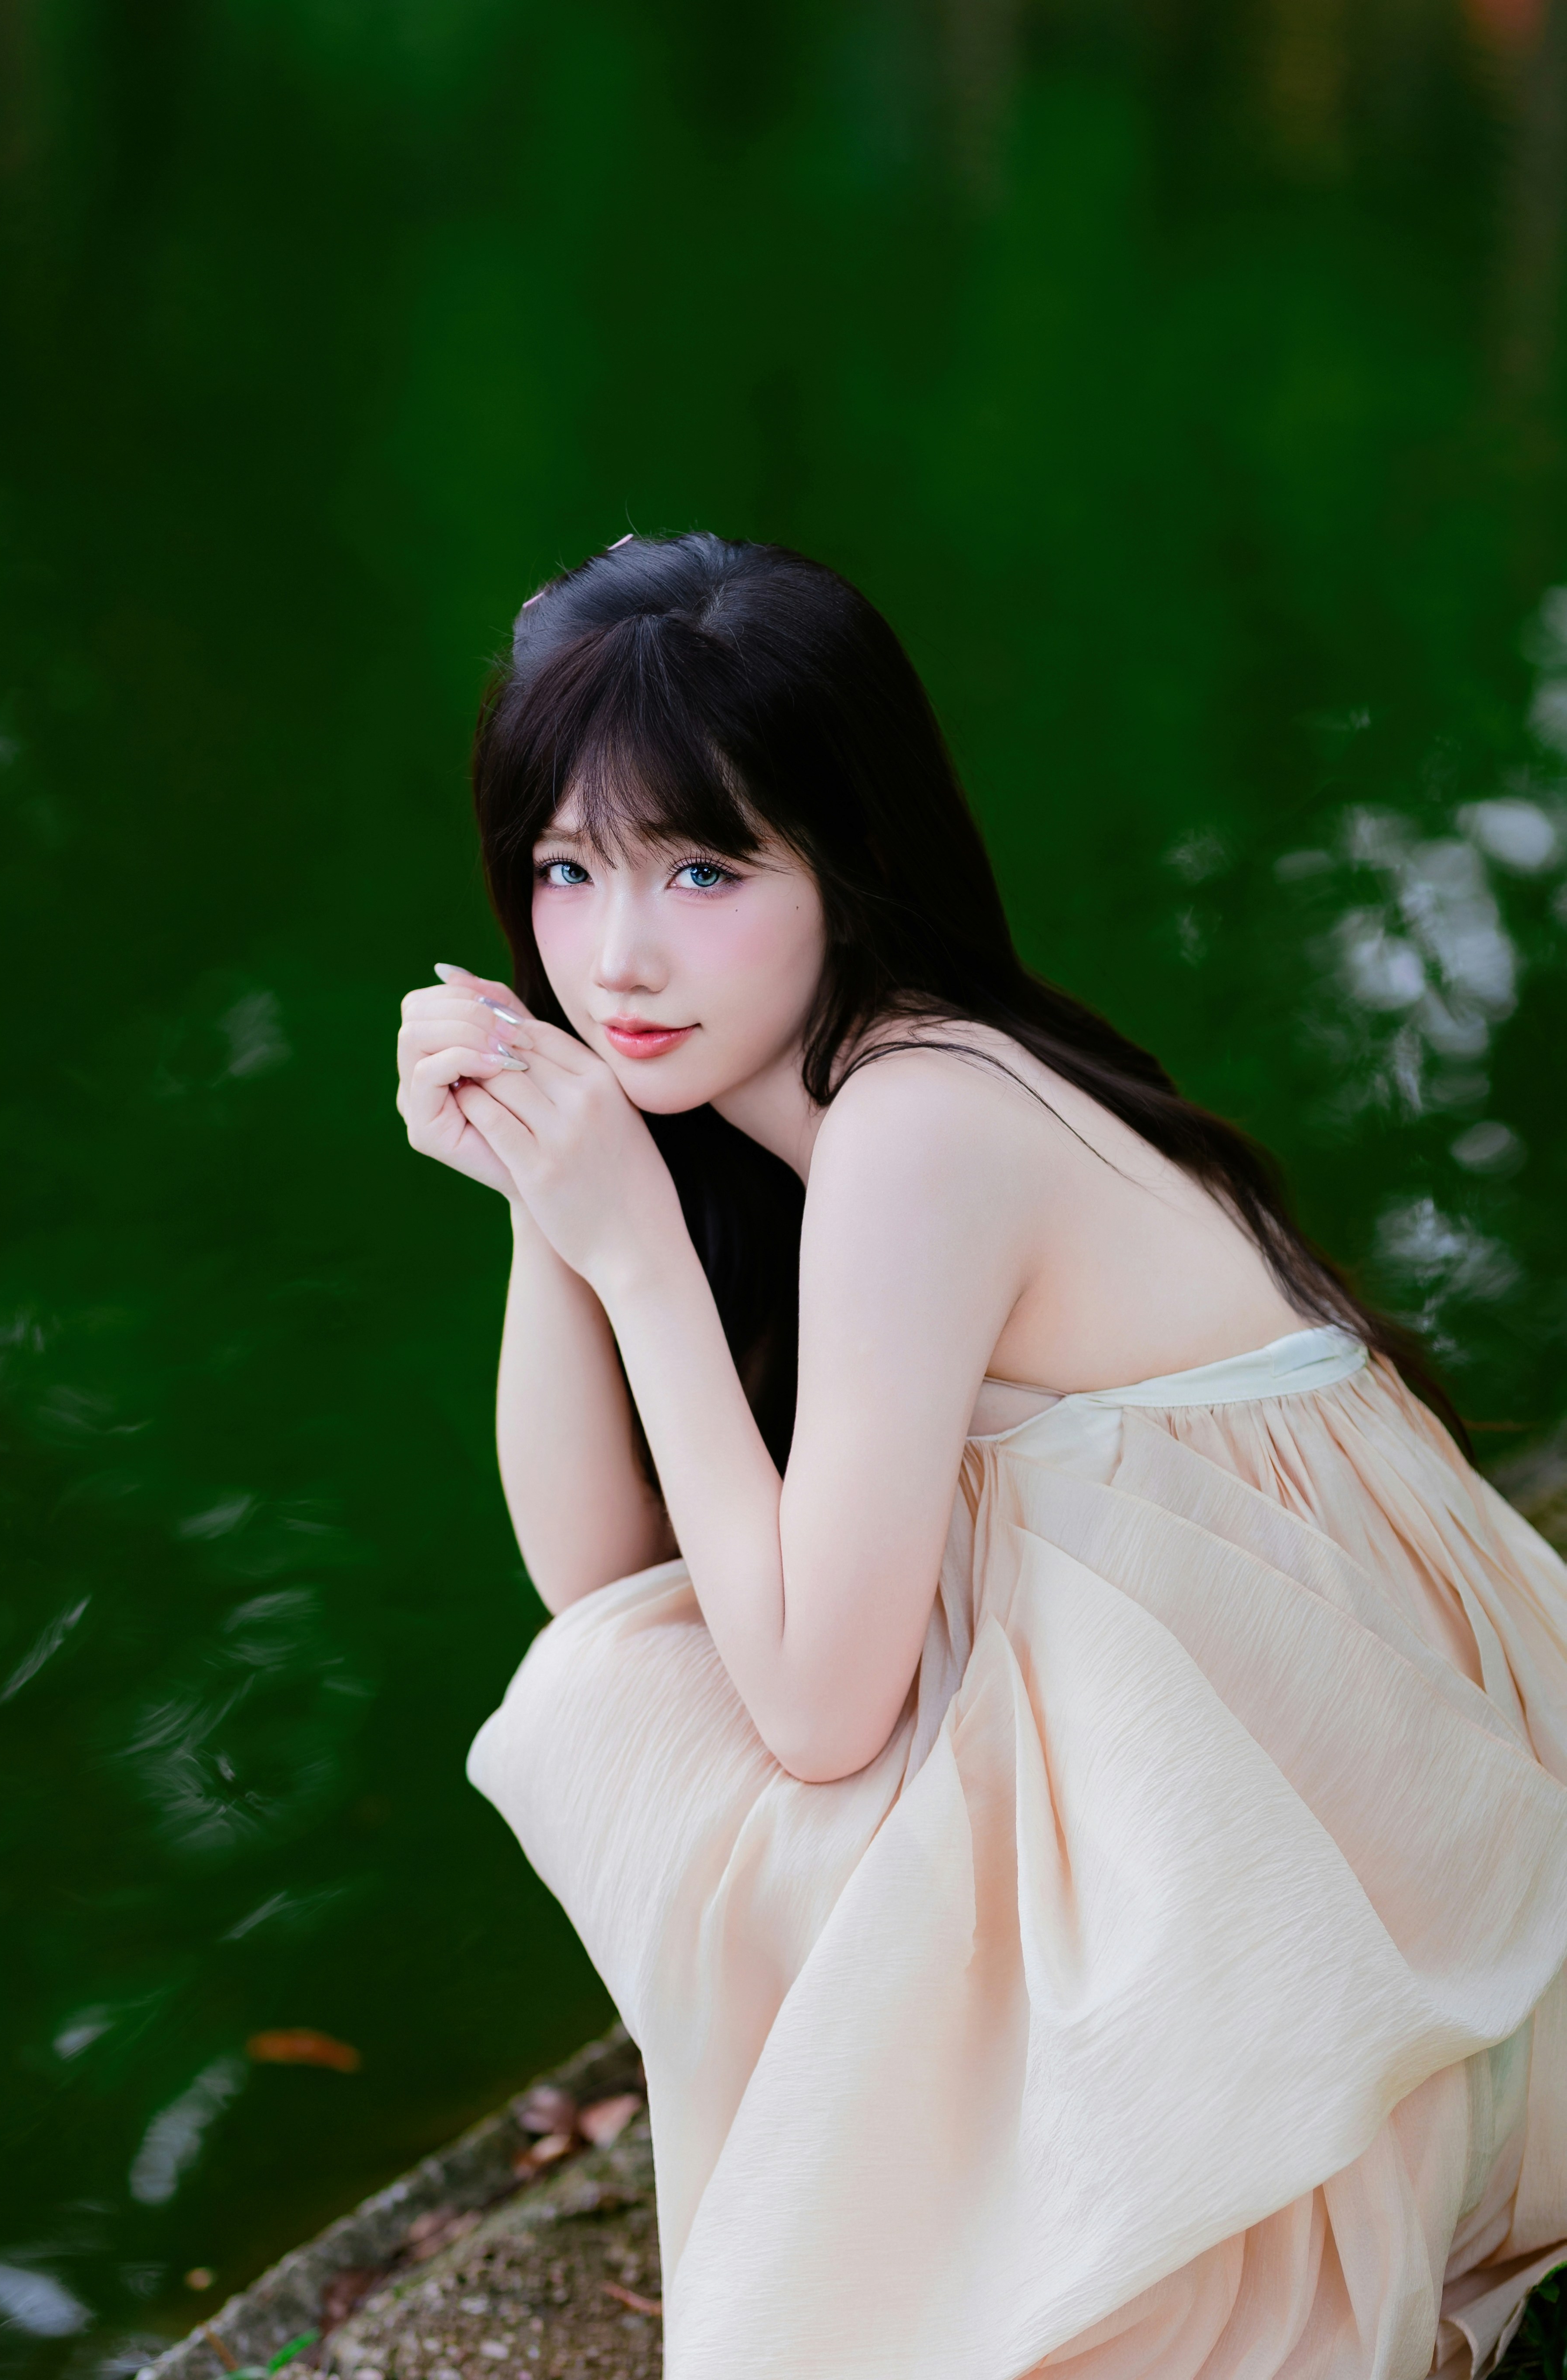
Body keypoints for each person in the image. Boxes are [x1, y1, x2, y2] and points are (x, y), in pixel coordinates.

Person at [396, 533, 1567, 2380]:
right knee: (628, 1688)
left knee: (739, 1769)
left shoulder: (919, 1122)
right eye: (566, 871)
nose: (617, 952)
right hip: (1232, 1741)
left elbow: (810, 1715)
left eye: (706, 868)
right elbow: (605, 1594)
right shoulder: (813, 1092)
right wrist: (552, 1199)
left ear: (844, 866)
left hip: (1327, 1825)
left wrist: (630, 1241)